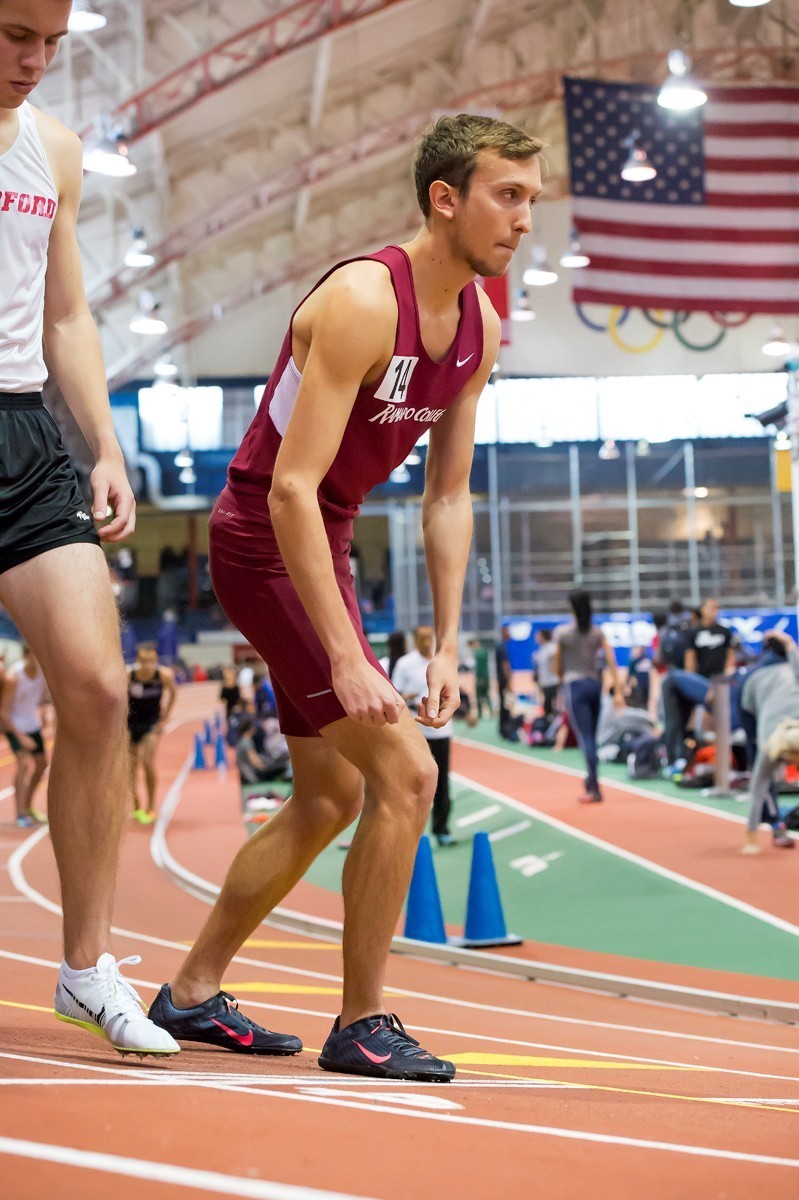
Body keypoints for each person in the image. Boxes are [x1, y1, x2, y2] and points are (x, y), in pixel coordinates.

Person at [147, 113, 544, 1079]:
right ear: (443, 199)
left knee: (327, 797)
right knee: (408, 777)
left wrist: (446, 643)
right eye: (508, 195)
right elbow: (286, 487)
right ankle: (362, 1021)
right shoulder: (365, 300)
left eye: (533, 198)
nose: (525, 219)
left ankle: (191, 993)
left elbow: (448, 496)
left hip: (325, 537)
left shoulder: (482, 326)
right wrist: (340, 656)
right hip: (261, 532)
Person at [0, 1, 178, 1057]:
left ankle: (85, 969)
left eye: (50, 42)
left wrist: (104, 446)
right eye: (14, 34)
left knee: (101, 689)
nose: (33, 60)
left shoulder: (51, 146)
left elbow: (66, 314)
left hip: (26, 431)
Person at [553, 590, 624, 803]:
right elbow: (611, 661)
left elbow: (557, 666)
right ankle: (592, 781)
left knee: (586, 738)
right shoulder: (597, 632)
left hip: (575, 686)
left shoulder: (563, 633)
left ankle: (594, 786)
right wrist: (618, 691)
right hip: (595, 685)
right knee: (591, 736)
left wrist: (561, 684)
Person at [392, 625, 455, 847]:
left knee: (442, 782)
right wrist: (405, 696)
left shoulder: (442, 662)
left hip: (441, 731)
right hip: (415, 731)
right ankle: (408, 833)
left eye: (430, 638)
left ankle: (441, 829)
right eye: (422, 638)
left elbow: (454, 691)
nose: (427, 642)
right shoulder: (405, 664)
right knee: (411, 782)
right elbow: (395, 693)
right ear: (415, 640)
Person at [740, 629, 799, 854]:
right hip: (786, 735)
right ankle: (769, 827)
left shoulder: (753, 676)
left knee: (759, 782)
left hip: (771, 738)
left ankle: (754, 837)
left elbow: (747, 709)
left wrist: (751, 840)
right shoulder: (791, 670)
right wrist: (790, 643)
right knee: (759, 781)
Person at [661, 597, 736, 770]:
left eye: (716, 608)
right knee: (686, 721)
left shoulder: (724, 632)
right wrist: (691, 682)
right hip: (700, 682)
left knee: (719, 720)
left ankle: (722, 758)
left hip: (720, 683)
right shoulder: (693, 632)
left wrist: (725, 679)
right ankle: (678, 757)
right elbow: (690, 660)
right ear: (702, 609)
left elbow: (730, 657)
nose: (714, 611)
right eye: (710, 608)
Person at [127, 645, 177, 824]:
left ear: (156, 661)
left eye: (151, 661)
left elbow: (173, 693)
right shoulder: (129, 676)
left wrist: (165, 719)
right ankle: (135, 803)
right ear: (138, 660)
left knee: (148, 762)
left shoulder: (163, 675)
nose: (148, 665)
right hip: (131, 725)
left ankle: (151, 805)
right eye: (144, 661)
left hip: (152, 724)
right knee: (131, 767)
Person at [1, 643, 49, 825]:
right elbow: (3, 711)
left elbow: (42, 698)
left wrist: (44, 712)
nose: (38, 659)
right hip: (14, 725)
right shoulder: (14, 677)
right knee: (24, 764)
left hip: (32, 724)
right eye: (34, 655)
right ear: (26, 655)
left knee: (41, 764)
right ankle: (20, 813)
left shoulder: (43, 674)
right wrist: (20, 736)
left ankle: (28, 807)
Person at [532, 627, 559, 718]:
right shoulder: (541, 650)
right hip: (544, 682)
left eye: (538, 635)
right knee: (546, 706)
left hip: (553, 681)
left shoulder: (552, 648)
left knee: (553, 705)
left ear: (543, 636)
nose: (536, 637)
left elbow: (557, 663)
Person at [495, 625, 515, 740]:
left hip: (500, 680)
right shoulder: (502, 647)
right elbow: (505, 666)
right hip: (503, 681)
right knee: (506, 706)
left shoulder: (500, 646)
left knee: (504, 704)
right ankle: (505, 729)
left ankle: (503, 729)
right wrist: (509, 683)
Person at [468, 637, 491, 720]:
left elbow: (474, 666)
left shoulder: (476, 653)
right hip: (486, 676)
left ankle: (480, 714)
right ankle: (490, 712)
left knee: (479, 695)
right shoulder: (484, 651)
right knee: (487, 695)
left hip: (480, 676)